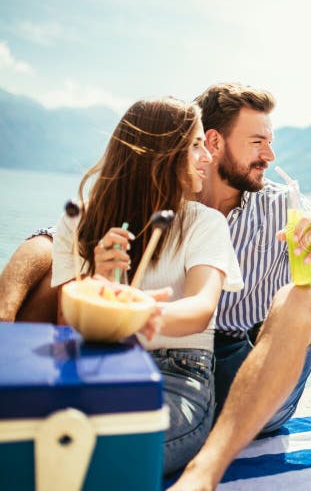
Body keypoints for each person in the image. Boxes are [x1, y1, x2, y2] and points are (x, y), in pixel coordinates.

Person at [169, 83, 311, 490]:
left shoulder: (283, 206)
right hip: (179, 362)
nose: (270, 156)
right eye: (258, 141)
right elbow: (55, 239)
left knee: (301, 294)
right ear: (214, 141)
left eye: (270, 142)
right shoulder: (168, 196)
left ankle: (206, 470)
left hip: (255, 371)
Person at [50, 97, 244, 475]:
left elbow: (201, 309)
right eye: (195, 145)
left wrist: (140, 311)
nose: (207, 156)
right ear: (161, 153)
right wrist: (101, 283)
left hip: (177, 375)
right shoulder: (79, 221)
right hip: (93, 365)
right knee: (38, 441)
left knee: (94, 458)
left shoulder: (206, 224)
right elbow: (65, 324)